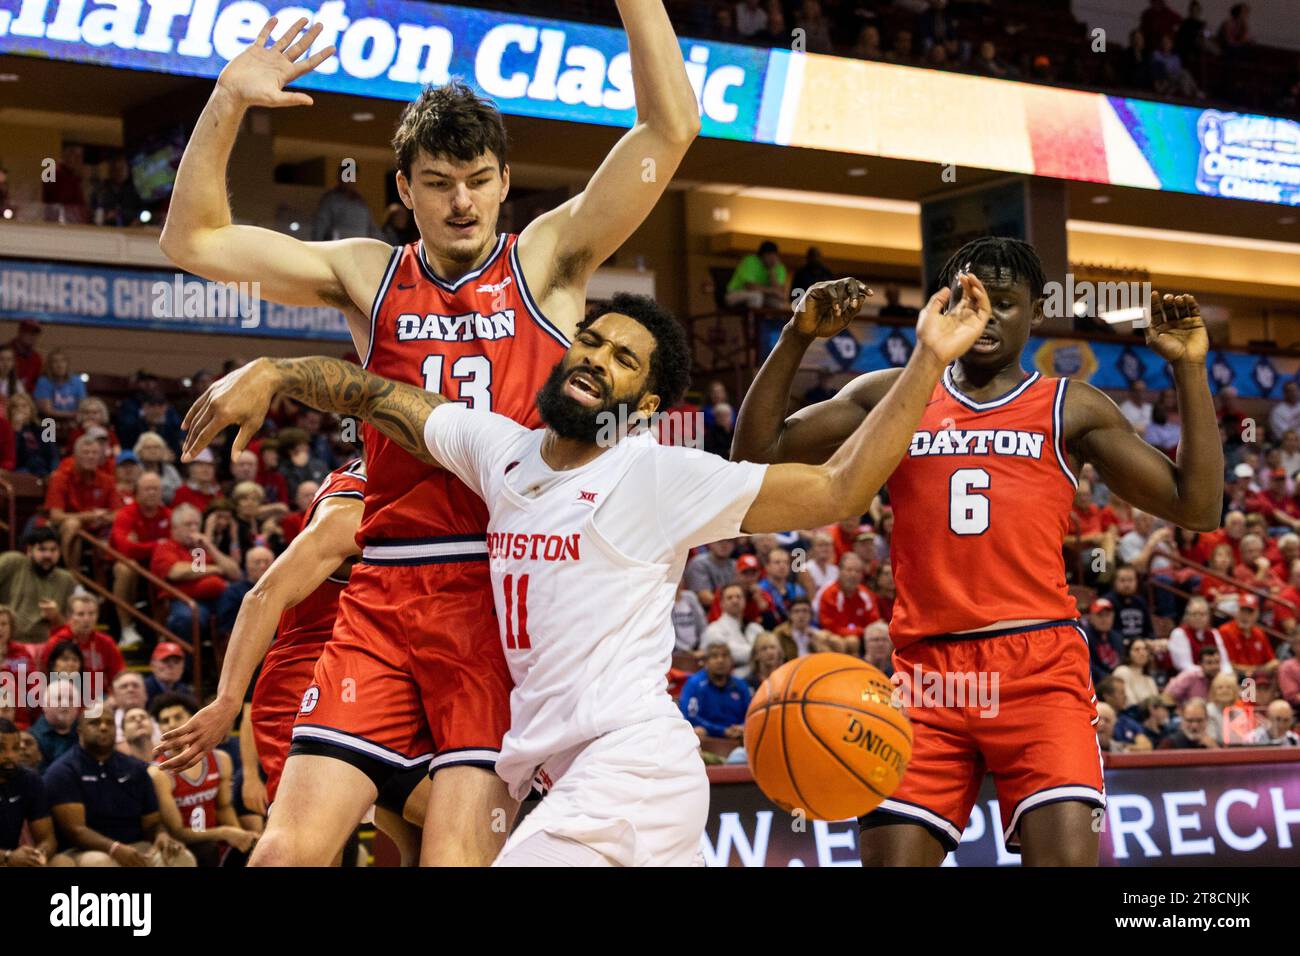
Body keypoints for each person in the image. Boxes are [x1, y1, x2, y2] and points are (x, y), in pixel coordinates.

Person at [178, 269, 995, 866]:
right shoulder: (499, 451)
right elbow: (379, 396)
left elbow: (839, 487)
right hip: (572, 777)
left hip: (629, 770)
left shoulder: (653, 475)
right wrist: (277, 372)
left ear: (643, 408)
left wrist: (927, 359)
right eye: (593, 339)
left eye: (623, 359)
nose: (597, 356)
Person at [160, 7, 702, 866]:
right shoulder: (367, 273)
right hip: (382, 590)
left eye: (479, 180)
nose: (462, 202)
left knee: (451, 861)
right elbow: (192, 240)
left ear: (503, 180)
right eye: (440, 182)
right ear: (404, 188)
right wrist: (228, 99)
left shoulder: (549, 260)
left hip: (498, 599)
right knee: (283, 853)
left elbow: (670, 128)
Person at [734, 235, 1222, 866]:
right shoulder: (894, 393)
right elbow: (755, 454)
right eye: (971, 300)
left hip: (1038, 669)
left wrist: (1188, 369)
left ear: (1037, 311)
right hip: (925, 677)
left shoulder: (1069, 407)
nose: (987, 317)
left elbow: (1198, 507)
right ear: (941, 303)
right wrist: (796, 339)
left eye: (1006, 303)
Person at [155, 461, 430, 865]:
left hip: (380, 681)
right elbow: (263, 597)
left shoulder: (431, 489)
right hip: (308, 684)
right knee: (295, 852)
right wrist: (227, 701)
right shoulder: (350, 509)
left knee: (441, 829)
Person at [45, 706, 195, 866]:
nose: (103, 727)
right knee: (102, 863)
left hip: (136, 846)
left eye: (109, 723)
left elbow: (152, 823)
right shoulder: (63, 771)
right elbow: (75, 831)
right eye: (95, 723)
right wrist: (114, 848)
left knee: (181, 857)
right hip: (83, 850)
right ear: (80, 731)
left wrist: (161, 835)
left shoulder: (135, 768)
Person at [147, 692, 257, 866]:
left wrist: (241, 836)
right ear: (158, 728)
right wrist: (226, 832)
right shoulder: (159, 772)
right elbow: (177, 832)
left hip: (217, 838)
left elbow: (223, 808)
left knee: (254, 849)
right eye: (165, 721)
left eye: (178, 717)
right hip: (185, 846)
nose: (172, 724)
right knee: (207, 849)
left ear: (194, 718)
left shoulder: (221, 759)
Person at [109, 472, 172, 651]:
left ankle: (164, 635)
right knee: (126, 568)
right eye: (147, 489)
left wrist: (141, 546)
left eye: (156, 489)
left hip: (156, 567)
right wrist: (158, 545)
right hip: (130, 566)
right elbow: (125, 549)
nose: (152, 493)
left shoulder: (168, 514)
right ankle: (126, 628)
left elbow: (174, 546)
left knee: (173, 569)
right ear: (136, 492)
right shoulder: (125, 514)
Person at [45, 433, 121, 568]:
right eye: (86, 452)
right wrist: (89, 516)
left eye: (94, 453)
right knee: (73, 525)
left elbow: (119, 513)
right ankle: (70, 578)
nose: (91, 456)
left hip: (98, 531)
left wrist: (104, 517)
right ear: (75, 456)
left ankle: (100, 585)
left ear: (100, 457)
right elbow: (55, 516)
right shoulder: (61, 478)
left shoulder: (108, 480)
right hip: (65, 530)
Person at [0, 527, 75, 644]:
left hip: (45, 649)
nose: (48, 555)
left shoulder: (67, 580)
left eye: (53, 550)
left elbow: (73, 628)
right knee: (20, 663)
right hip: (10, 647)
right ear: (29, 550)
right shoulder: (13, 563)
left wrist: (56, 616)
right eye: (42, 549)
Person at [0, 717, 57, 867]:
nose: (10, 756)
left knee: (63, 862)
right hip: (6, 858)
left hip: (13, 859)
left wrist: (38, 855)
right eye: (1, 748)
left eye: (16, 748)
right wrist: (7, 857)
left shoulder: (29, 779)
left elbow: (47, 838)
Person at [39, 594, 125, 688]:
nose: (87, 619)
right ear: (70, 616)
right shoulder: (56, 642)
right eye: (81, 614)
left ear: (97, 616)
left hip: (100, 698)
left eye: (91, 614)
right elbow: (43, 675)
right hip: (66, 696)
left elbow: (119, 675)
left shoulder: (106, 642)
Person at [681, 642, 752, 740]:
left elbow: (750, 714)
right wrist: (722, 731)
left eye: (725, 656)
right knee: (697, 731)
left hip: (737, 738)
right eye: (714, 656)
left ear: (731, 661)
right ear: (706, 662)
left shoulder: (741, 685)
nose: (720, 660)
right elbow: (690, 716)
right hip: (707, 736)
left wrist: (741, 727)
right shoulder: (694, 684)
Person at [813, 552, 879, 656]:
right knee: (851, 641)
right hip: (832, 635)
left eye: (857, 571)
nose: (853, 575)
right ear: (839, 571)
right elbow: (830, 625)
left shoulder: (866, 594)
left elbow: (874, 622)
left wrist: (858, 632)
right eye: (849, 570)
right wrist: (859, 631)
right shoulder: (829, 594)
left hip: (861, 637)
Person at [30, 679, 81, 770]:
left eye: (70, 699)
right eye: (59, 699)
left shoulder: (84, 734)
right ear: (45, 705)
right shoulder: (31, 738)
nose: (65, 704)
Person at [725, 240, 789, 311]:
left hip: (764, 295)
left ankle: (776, 322)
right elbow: (750, 286)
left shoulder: (779, 267)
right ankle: (753, 322)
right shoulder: (750, 261)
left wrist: (772, 271)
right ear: (762, 255)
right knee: (756, 296)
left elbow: (779, 290)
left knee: (779, 302)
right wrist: (772, 291)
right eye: (768, 255)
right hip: (736, 293)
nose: (771, 258)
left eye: (774, 255)